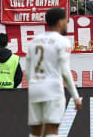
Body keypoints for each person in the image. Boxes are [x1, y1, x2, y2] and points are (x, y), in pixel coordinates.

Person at [25, 7, 81, 137]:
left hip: (35, 88)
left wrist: (32, 85)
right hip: (52, 89)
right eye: (66, 20)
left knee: (35, 130)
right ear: (60, 22)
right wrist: (76, 96)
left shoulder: (34, 41)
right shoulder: (62, 41)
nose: (67, 23)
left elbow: (27, 71)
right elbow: (65, 72)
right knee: (52, 129)